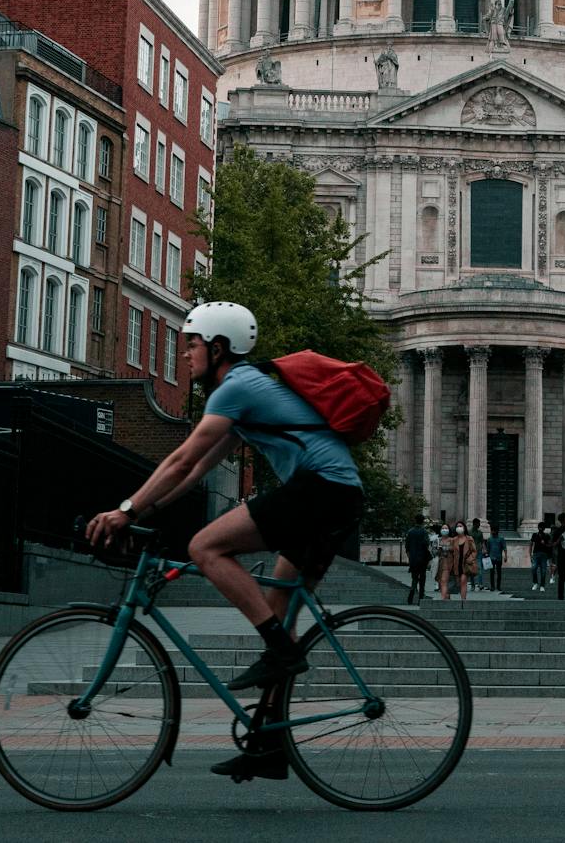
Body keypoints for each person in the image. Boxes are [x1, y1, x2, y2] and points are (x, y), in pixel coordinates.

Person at [85, 301, 363, 784]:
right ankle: (268, 745)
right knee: (278, 614)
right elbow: (195, 470)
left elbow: (180, 458)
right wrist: (144, 513)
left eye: (192, 344)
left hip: (320, 490)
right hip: (336, 496)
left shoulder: (237, 387)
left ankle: (281, 651)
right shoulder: (245, 394)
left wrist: (124, 510)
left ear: (218, 348)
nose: (185, 354)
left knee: (205, 548)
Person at [440, 520, 475, 604]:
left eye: (460, 526)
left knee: (463, 581)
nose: (459, 528)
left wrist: (471, 558)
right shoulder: (454, 540)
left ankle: (463, 600)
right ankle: (448, 597)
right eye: (457, 526)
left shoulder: (469, 539)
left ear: (464, 528)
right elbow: (450, 551)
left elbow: (474, 551)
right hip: (456, 563)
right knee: (458, 582)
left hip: (465, 563)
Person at [403, 513, 432, 604]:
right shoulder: (424, 532)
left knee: (414, 578)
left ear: (415, 520)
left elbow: (407, 547)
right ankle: (420, 598)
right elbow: (427, 544)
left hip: (413, 559)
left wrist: (410, 558)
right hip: (422, 558)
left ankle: (411, 596)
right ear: (423, 521)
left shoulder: (410, 532)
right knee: (422, 579)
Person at [530, 521, 552, 593]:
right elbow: (531, 544)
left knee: (543, 571)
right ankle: (535, 583)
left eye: (542, 528)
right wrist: (530, 554)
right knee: (533, 568)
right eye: (540, 527)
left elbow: (550, 545)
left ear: (544, 528)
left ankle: (542, 585)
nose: (541, 529)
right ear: (538, 528)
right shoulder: (534, 535)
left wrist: (545, 544)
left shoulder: (547, 536)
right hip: (536, 554)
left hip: (544, 555)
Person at [484, 523, 507, 593]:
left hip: (499, 558)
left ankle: (498, 586)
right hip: (491, 558)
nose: (493, 532)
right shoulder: (489, 539)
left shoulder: (501, 539)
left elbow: (504, 548)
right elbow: (488, 549)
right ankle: (492, 586)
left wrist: (506, 556)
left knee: (499, 572)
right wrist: (486, 556)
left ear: (497, 531)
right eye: (492, 530)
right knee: (492, 573)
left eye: (494, 530)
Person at [469, 517, 486, 592]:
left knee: (479, 568)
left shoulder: (480, 533)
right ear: (475, 524)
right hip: (471, 553)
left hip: (479, 552)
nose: (479, 525)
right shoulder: (469, 532)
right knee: (472, 570)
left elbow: (482, 542)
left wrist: (484, 549)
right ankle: (473, 585)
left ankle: (480, 584)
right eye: (478, 523)